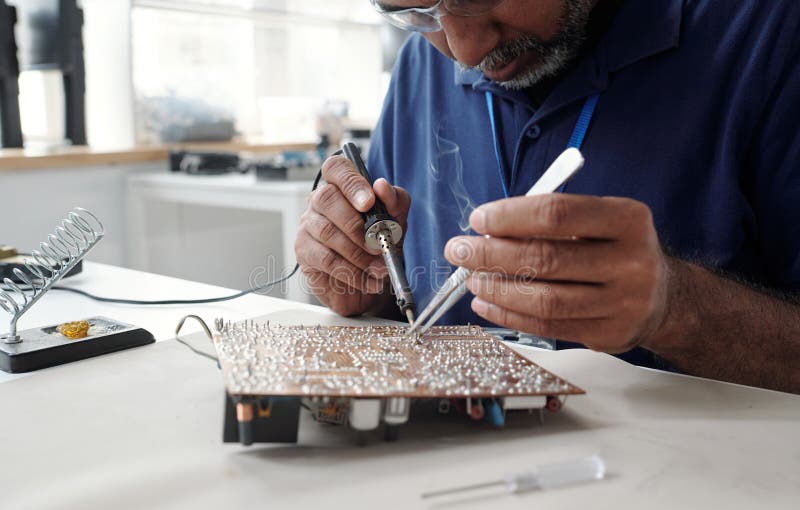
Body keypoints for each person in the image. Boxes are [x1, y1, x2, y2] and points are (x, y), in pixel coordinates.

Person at [294, 0, 800, 393]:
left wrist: (676, 309)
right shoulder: (421, 64)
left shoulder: (769, 34)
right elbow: (384, 275)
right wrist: (359, 279)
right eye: (414, 11)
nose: (465, 52)